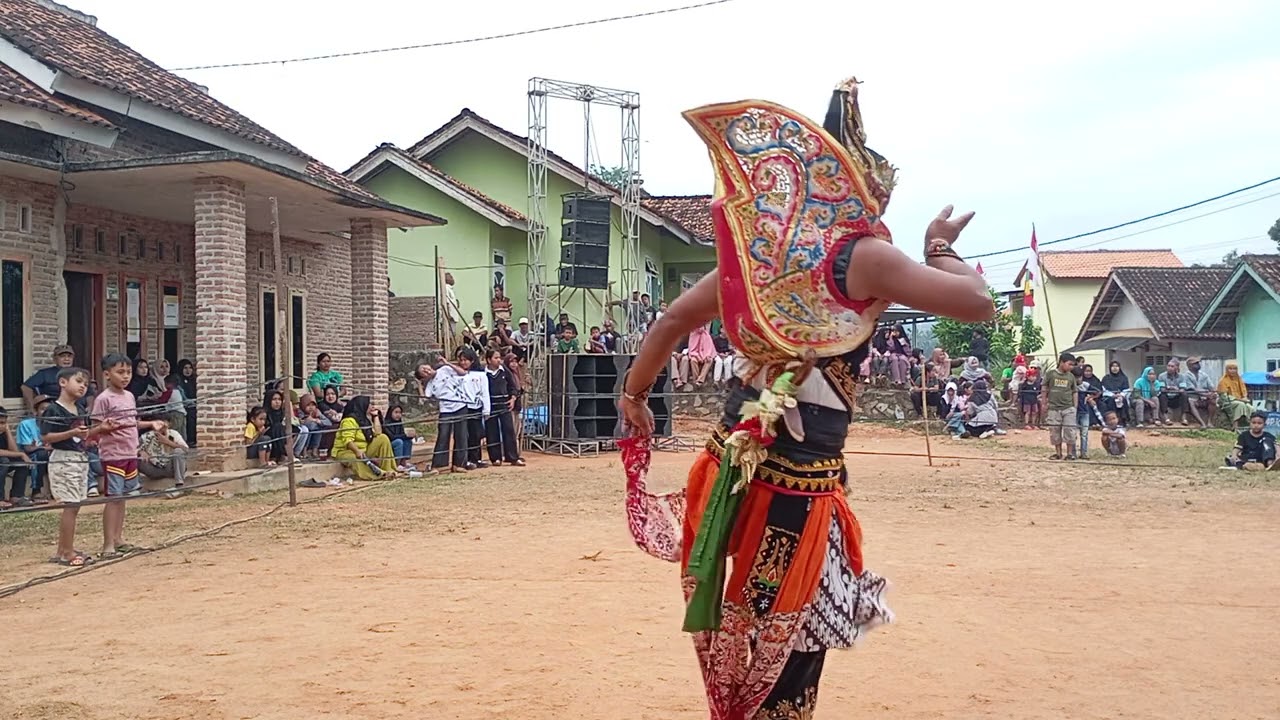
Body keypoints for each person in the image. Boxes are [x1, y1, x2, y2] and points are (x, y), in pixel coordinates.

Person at [616, 78, 994, 719]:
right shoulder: (867, 256)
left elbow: (671, 321)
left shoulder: (763, 254)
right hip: (793, 491)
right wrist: (939, 247)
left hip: (728, 473)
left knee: (747, 623)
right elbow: (979, 302)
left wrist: (635, 395)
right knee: (786, 645)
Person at [94, 353, 168, 558]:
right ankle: (107, 545)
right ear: (107, 374)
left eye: (128, 372)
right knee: (113, 498)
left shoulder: (129, 396)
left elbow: (132, 422)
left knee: (123, 497)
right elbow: (95, 427)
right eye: (120, 372)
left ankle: (118, 539)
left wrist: (151, 424)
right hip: (113, 454)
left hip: (129, 452)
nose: (125, 376)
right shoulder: (103, 399)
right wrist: (105, 428)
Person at [43, 367, 115, 565]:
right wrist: (70, 433)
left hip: (79, 457)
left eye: (85, 383)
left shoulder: (81, 409)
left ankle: (63, 549)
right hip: (64, 459)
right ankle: (67, 552)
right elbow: (47, 437)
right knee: (71, 505)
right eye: (78, 381)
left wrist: (100, 429)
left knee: (75, 504)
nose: (83, 386)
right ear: (63, 382)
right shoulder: (53, 409)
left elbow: (83, 434)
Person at [419, 351, 477, 472]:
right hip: (445, 410)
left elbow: (462, 373)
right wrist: (420, 384)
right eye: (423, 372)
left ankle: (460, 464)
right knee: (443, 435)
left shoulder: (445, 369)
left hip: (460, 405)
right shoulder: (430, 385)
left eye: (425, 368)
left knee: (461, 435)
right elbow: (425, 398)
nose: (426, 370)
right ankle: (440, 464)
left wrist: (447, 363)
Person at [333, 396, 399, 480]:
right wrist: (357, 451)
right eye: (369, 404)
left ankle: (389, 469)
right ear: (362, 405)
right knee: (354, 458)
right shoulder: (349, 420)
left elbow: (378, 433)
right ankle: (380, 474)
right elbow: (348, 441)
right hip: (346, 451)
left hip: (364, 449)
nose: (371, 406)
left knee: (383, 438)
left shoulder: (364, 420)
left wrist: (375, 416)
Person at [482, 348, 524, 466]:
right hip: (490, 405)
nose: (498, 360)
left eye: (499, 358)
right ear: (489, 360)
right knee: (492, 431)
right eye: (495, 358)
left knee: (509, 430)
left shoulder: (504, 370)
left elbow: (512, 386)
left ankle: (512, 457)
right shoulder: (483, 373)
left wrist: (513, 399)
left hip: (504, 404)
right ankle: (495, 458)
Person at [1042, 352, 1079, 460]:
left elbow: (1074, 391)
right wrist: (1044, 403)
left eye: (1073, 365)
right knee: (1054, 431)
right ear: (1061, 362)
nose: (1071, 367)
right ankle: (1058, 453)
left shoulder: (1071, 376)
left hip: (1068, 407)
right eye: (1069, 364)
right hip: (1053, 407)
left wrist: (1074, 406)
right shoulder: (1051, 374)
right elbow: (1044, 388)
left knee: (1070, 431)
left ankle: (1069, 453)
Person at [22, 344, 78, 413]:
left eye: (69, 356)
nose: (66, 359)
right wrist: (32, 409)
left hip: (75, 409)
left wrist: (90, 407)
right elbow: (26, 387)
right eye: (62, 356)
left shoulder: (79, 374)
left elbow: (90, 393)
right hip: (53, 411)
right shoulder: (45, 373)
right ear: (55, 359)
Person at [139, 422, 189, 488]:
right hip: (155, 468)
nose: (161, 428)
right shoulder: (146, 436)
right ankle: (136, 486)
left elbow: (186, 450)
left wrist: (167, 442)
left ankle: (179, 484)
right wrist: (141, 452)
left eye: (163, 425)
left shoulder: (174, 434)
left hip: (171, 468)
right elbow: (134, 449)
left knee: (178, 451)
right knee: (136, 460)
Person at [0, 407, 33, 507]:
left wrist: (7, 431)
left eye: (3, 423)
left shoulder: (3, 432)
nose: (1, 426)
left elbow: (14, 450)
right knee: (4, 461)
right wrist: (21, 454)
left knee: (21, 462)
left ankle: (16, 496)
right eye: (0, 423)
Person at [1217, 361, 1254, 430]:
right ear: (1227, 370)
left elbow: (1243, 391)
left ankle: (1250, 426)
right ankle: (1235, 426)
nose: (1232, 371)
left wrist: (1244, 397)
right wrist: (1240, 400)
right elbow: (1223, 396)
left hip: (1241, 400)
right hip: (1227, 402)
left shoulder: (1239, 379)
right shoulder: (1223, 381)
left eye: (1234, 369)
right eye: (1230, 369)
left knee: (1250, 408)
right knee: (1240, 405)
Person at [383, 404, 418, 472]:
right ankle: (397, 464)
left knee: (408, 441)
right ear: (390, 413)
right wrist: (405, 436)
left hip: (398, 440)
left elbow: (402, 434)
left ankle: (403, 462)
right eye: (396, 412)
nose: (398, 415)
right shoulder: (386, 423)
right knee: (399, 442)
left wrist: (408, 436)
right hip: (389, 443)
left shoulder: (399, 422)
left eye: (400, 413)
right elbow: (391, 437)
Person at [1099, 361, 1131, 426]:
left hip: (1121, 396)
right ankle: (1112, 420)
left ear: (1119, 368)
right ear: (1110, 368)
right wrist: (1113, 395)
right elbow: (1104, 390)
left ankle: (1123, 420)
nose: (1115, 368)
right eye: (1113, 366)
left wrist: (1121, 395)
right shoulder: (1106, 378)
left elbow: (1127, 390)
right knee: (1112, 401)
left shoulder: (1124, 378)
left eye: (1116, 366)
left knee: (1123, 400)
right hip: (1109, 397)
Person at [175, 359, 197, 445]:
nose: (188, 370)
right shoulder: (179, 380)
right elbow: (182, 397)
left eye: (190, 368)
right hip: (184, 405)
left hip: (194, 404)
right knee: (191, 414)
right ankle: (191, 440)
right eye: (185, 368)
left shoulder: (194, 380)